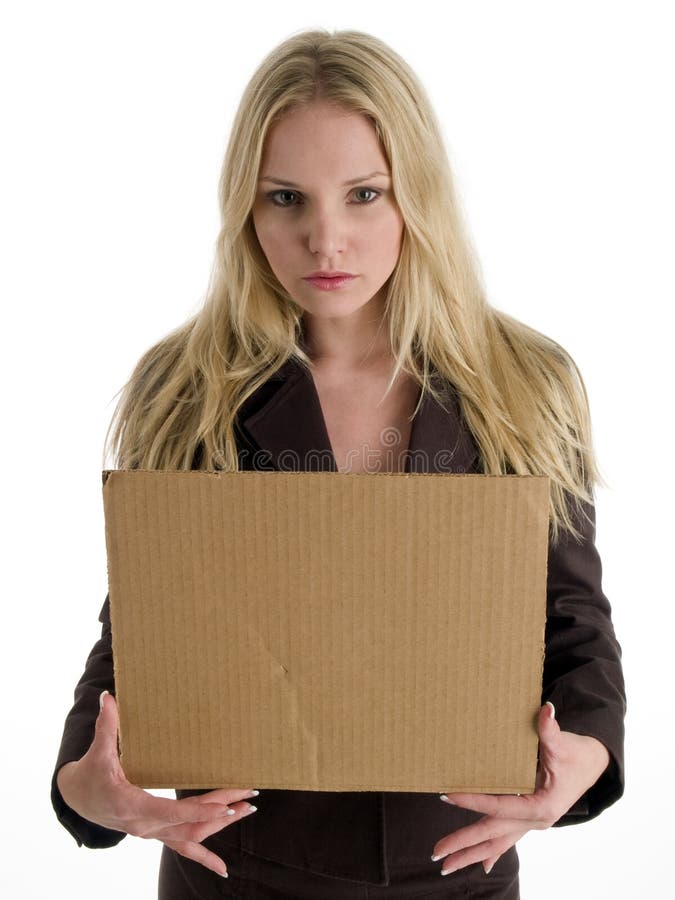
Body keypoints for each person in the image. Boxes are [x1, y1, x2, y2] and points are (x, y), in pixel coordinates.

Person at [52, 28, 626, 899]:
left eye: (364, 194)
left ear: (416, 196)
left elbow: (569, 613)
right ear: (246, 206)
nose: (327, 240)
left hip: (456, 868)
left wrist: (584, 750)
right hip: (235, 867)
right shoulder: (185, 386)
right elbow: (141, 627)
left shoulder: (522, 381)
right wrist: (82, 785)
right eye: (287, 197)